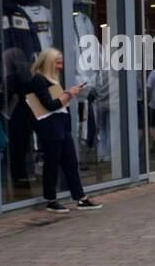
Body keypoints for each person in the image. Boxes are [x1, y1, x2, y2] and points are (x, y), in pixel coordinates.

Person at [26, 48, 101, 213]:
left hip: (61, 124)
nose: (60, 66)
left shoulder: (51, 79)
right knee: (52, 163)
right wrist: (69, 94)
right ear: (48, 63)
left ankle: (80, 197)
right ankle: (51, 200)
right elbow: (50, 105)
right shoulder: (39, 80)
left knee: (71, 162)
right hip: (50, 126)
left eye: (61, 63)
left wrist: (68, 94)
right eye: (57, 63)